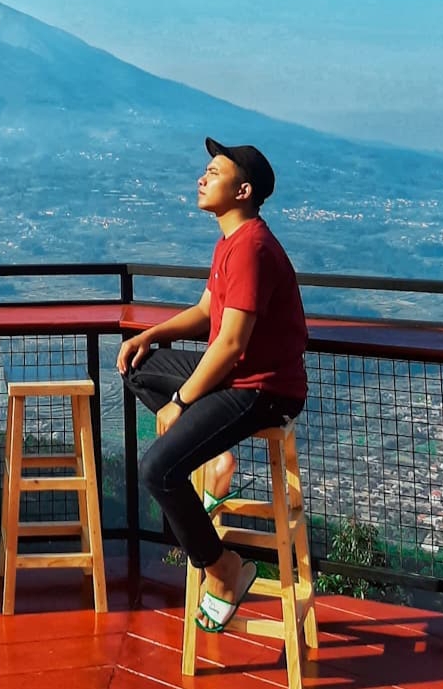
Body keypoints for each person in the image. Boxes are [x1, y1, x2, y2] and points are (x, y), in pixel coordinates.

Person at [117, 137, 308, 633]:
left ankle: (224, 569)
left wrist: (182, 401)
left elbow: (231, 344)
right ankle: (219, 458)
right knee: (138, 365)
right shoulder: (230, 241)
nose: (201, 178)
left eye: (214, 173)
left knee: (158, 469)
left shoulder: (252, 248)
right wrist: (150, 335)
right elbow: (207, 312)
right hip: (234, 378)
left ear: (242, 191)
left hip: (262, 390)